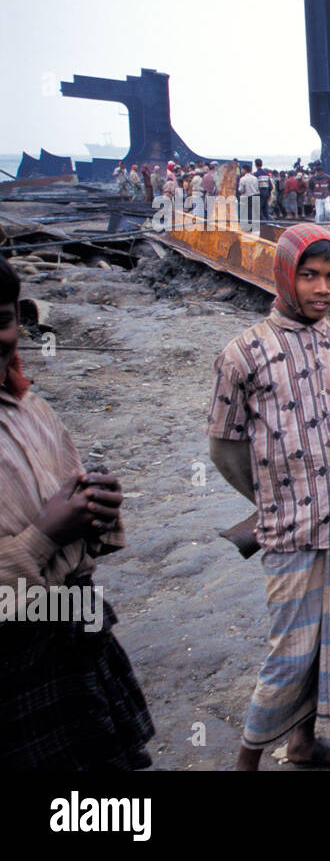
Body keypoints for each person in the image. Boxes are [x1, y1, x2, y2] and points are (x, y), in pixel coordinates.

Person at [208, 224, 330, 770]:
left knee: (328, 636)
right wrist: (271, 500)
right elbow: (225, 448)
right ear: (285, 275)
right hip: (290, 528)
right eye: (309, 275)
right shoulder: (243, 354)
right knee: (289, 651)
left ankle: (303, 743)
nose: (322, 289)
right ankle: (246, 764)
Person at [0, 257, 154, 770]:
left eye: (1, 320)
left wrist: (97, 509)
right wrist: (45, 534)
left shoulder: (30, 409)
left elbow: (72, 503)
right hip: (14, 663)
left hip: (70, 629)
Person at [237, 165, 259, 231]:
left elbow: (241, 190)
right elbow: (257, 188)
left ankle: (248, 227)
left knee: (246, 213)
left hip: (246, 197)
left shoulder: (243, 179)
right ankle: (254, 226)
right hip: (255, 196)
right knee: (254, 212)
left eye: (242, 169)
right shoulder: (255, 178)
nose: (241, 171)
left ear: (245, 170)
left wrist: (239, 190)